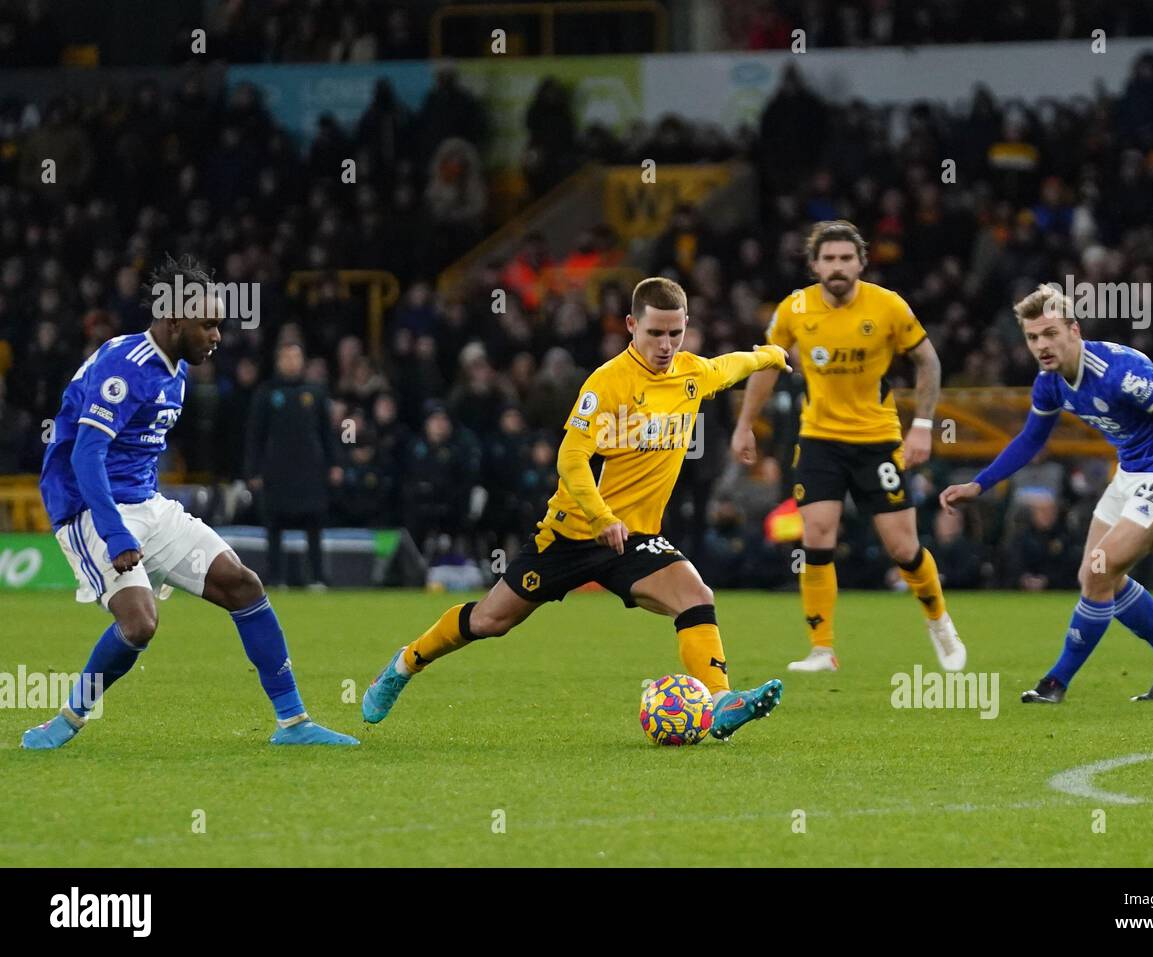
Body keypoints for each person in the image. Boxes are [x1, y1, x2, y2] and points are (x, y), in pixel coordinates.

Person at [362, 277, 790, 742]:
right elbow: (570, 457)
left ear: (686, 326)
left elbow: (734, 365)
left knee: (697, 597)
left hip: (635, 539)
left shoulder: (692, 374)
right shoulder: (608, 384)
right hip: (571, 534)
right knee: (491, 620)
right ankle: (404, 664)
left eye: (674, 333)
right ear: (631, 325)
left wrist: (771, 354)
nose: (665, 345)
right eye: (655, 334)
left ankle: (721, 701)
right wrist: (602, 516)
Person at [23, 254, 356, 749]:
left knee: (243, 585)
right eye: (208, 325)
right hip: (92, 511)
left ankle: (294, 723)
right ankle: (66, 721)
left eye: (219, 325)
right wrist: (116, 532)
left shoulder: (176, 372)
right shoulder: (124, 365)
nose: (217, 336)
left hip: (146, 504)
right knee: (139, 624)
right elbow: (87, 456)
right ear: (174, 319)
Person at [939, 283, 1153, 703]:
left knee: (1100, 573)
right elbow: (1031, 440)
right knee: (1096, 575)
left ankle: (1056, 683)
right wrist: (980, 484)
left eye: (1050, 333)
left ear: (1074, 330)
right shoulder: (1050, 382)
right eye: (1033, 337)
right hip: (1130, 473)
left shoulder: (1119, 373)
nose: (1041, 345)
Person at [731, 220, 965, 674]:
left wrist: (921, 426)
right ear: (815, 264)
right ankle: (822, 649)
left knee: (902, 547)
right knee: (817, 534)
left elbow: (928, 359)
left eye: (845, 258)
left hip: (877, 439)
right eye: (829, 259)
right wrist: (744, 426)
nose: (837, 266)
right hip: (819, 438)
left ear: (860, 262)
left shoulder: (887, 306)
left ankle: (939, 622)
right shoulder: (795, 308)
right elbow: (766, 365)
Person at [246, 341, 340, 588]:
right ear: (279, 361)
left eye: (295, 358)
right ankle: (276, 577)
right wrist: (253, 470)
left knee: (314, 524)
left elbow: (326, 433)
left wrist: (334, 464)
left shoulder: (316, 393)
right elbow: (256, 434)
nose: (291, 362)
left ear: (302, 361)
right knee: (275, 525)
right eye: (286, 358)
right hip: (277, 469)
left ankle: (318, 577)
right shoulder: (266, 393)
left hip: (310, 469)